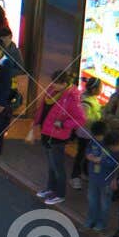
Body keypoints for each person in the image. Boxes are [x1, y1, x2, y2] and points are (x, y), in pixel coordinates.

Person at [35, 70, 87, 205]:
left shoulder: (72, 98)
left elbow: (80, 119)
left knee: (58, 167)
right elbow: (43, 108)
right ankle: (50, 189)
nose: (53, 85)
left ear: (64, 84)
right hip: (46, 133)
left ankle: (60, 194)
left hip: (58, 137)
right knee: (51, 165)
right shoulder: (53, 91)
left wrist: (64, 124)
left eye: (56, 83)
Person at [84, 121, 119, 232]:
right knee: (92, 199)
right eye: (94, 136)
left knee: (105, 203)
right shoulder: (93, 140)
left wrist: (102, 160)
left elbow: (116, 163)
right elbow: (88, 149)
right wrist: (89, 155)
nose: (96, 138)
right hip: (93, 177)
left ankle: (102, 223)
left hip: (106, 179)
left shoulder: (113, 145)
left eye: (98, 137)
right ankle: (91, 219)